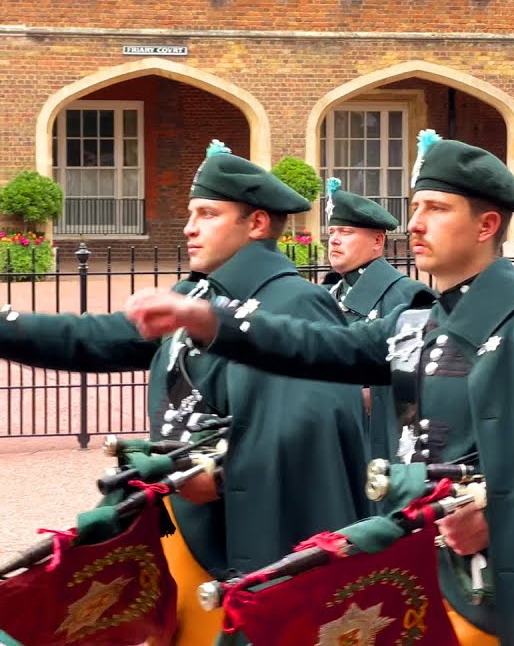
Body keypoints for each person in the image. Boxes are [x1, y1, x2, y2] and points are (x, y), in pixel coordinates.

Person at [124, 135, 514, 646]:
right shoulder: (418, 323)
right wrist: (208, 319)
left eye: (436, 209)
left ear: (487, 225)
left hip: (505, 599)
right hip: (421, 576)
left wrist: (499, 511)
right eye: (415, 208)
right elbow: (317, 347)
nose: (415, 224)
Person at [0, 143, 369, 646]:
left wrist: (219, 473)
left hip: (243, 537)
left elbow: (306, 427)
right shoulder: (197, 296)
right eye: (192, 213)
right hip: (185, 526)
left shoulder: (294, 302)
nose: (190, 227)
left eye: (208, 214)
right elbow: (89, 338)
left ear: (257, 224)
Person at [321, 179, 433, 469]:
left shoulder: (407, 296)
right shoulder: (328, 296)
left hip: (384, 448)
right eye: (332, 232)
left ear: (377, 241)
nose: (334, 240)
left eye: (346, 232)